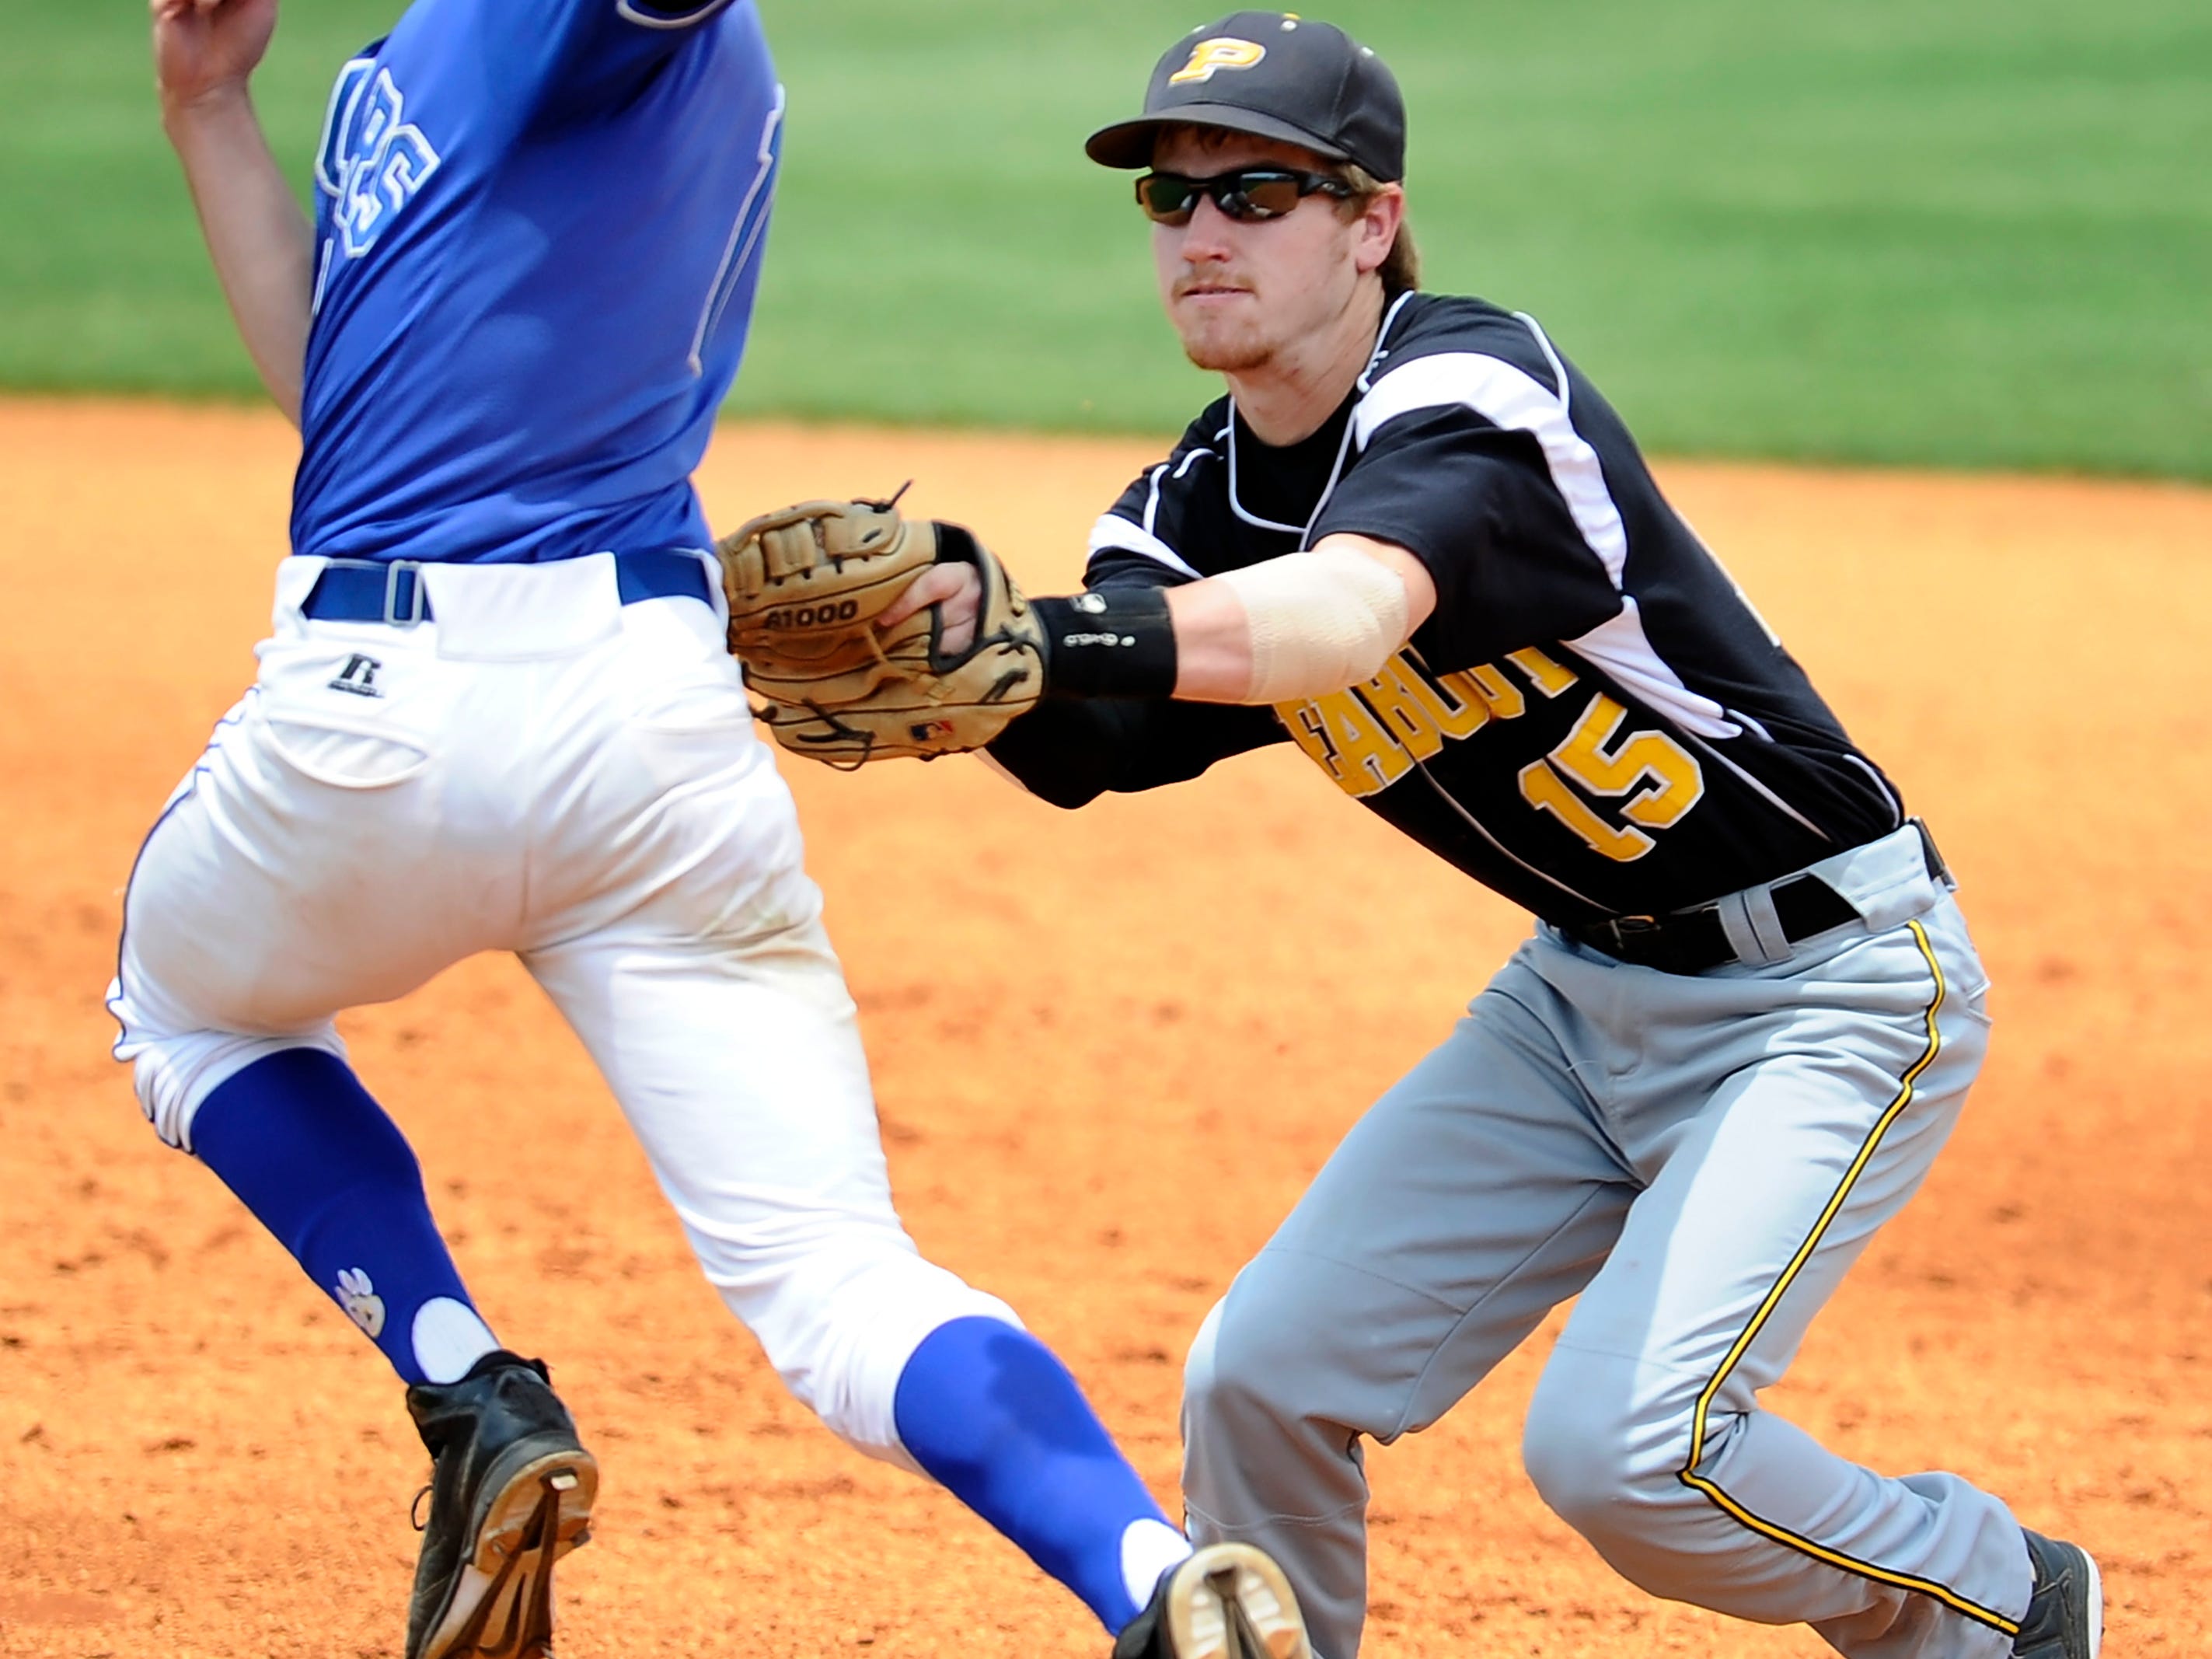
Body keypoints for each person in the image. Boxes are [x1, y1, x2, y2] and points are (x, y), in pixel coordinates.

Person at [881, 13, 2102, 1658]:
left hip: (1828, 982)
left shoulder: (1471, 388)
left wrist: (1063, 638)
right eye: (1169, 204)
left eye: (1254, 193)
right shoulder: (1186, 504)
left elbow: (1342, 615)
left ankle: (1992, 1594)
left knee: (1623, 1456)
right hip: (1572, 1004)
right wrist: (960, 666)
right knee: (1260, 1373)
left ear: (1370, 220)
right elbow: (1099, 738)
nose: (1202, 236)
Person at [113, 5, 1314, 1659]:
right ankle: (1151, 1574)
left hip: (375, 717)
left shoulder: (566, 24)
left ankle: (469, 1386)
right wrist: (209, 105)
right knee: (835, 1275)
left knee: (183, 1005)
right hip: (650, 732)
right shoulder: (413, 55)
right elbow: (340, 387)